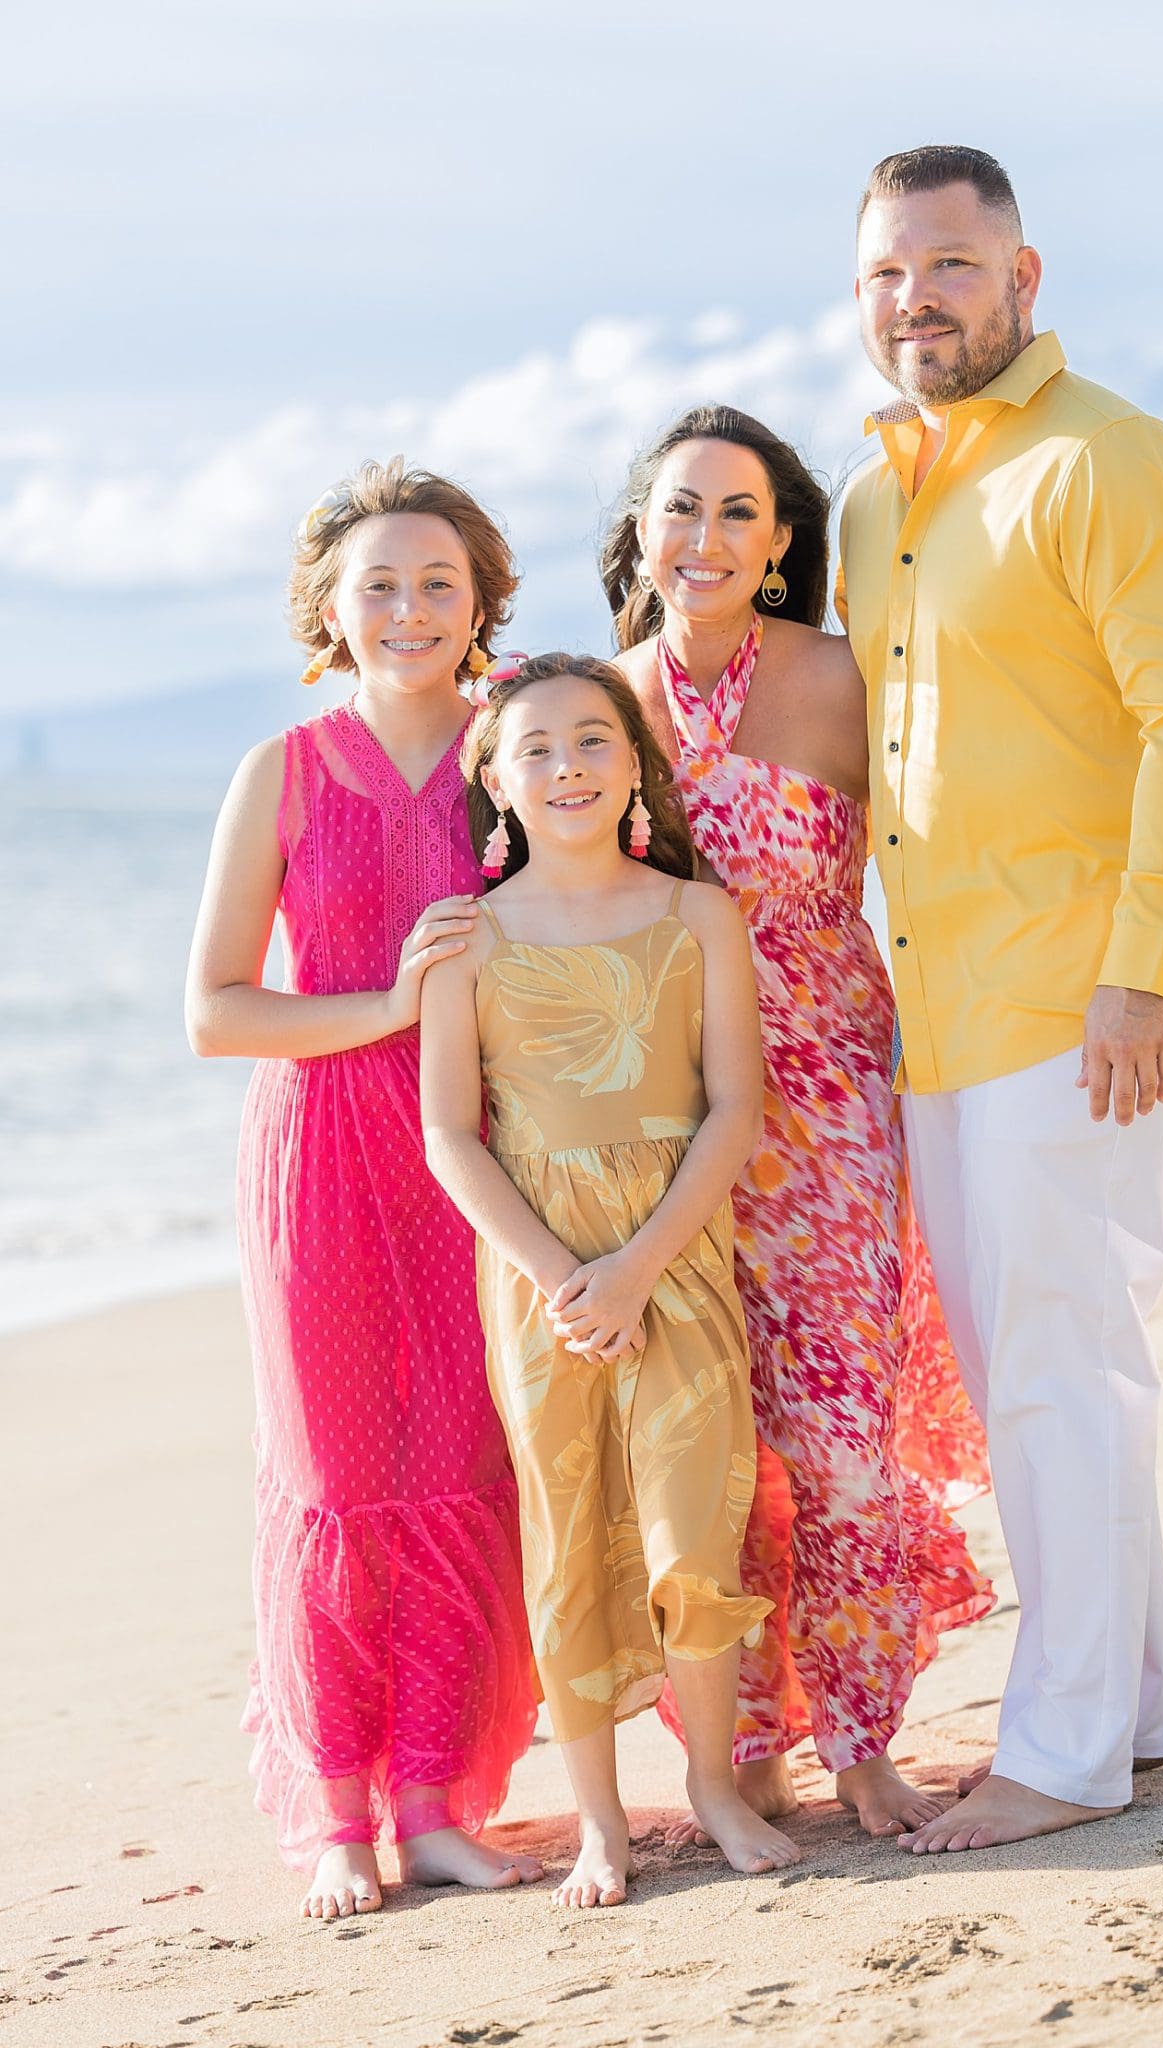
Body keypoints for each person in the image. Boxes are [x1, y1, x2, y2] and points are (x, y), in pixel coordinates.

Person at [838, 145, 1163, 1852]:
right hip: (943, 1014)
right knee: (1053, 1371)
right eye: (884, 273)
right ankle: (1131, 1709)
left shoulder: (1116, 461)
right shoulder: (879, 503)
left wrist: (1144, 970)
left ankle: (1064, 1749)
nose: (914, 298)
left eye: (946, 265)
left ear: (1022, 275)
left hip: (1086, 1007)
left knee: (1057, 1380)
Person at [602, 409, 992, 1841]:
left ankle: (864, 1736)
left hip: (829, 1103)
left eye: (734, 514)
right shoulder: (601, 703)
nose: (700, 538)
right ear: (640, 533)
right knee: (714, 1450)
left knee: (836, 1442)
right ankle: (744, 1741)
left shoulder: (841, 678)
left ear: (779, 544)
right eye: (676, 509)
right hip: (665, 1117)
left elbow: (950, 850)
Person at [185, 459, 541, 1919]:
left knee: (464, 1459)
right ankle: (336, 1813)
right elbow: (215, 1009)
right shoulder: (282, 769)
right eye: (378, 584)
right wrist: (386, 1011)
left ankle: (434, 1795)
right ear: (329, 608)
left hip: (487, 1152)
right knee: (334, 1478)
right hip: (323, 1152)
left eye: (437, 584)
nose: (409, 609)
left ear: (480, 607)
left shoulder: (517, 753)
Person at [420, 652, 803, 1909]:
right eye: (535, 747)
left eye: (593, 739)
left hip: (674, 1251)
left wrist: (638, 1264)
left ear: (635, 762)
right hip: (541, 1274)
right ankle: (599, 1823)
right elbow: (451, 1133)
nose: (567, 766)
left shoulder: (699, 915)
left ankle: (708, 1783)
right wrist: (562, 1273)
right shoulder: (469, 936)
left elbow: (736, 1109)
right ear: (496, 779)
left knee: (695, 1523)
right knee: (568, 1540)